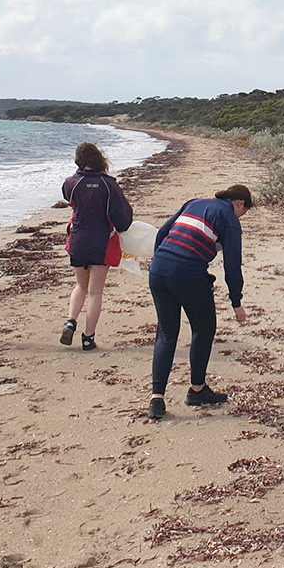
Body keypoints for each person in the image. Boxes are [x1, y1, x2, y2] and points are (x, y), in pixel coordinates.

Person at [147, 184, 252, 420]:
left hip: (159, 271)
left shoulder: (194, 203)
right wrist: (236, 300)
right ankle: (196, 390)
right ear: (240, 204)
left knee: (166, 333)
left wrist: (160, 260)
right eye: (244, 213)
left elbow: (163, 232)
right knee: (204, 329)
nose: (241, 217)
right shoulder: (230, 218)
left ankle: (157, 398)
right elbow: (232, 264)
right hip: (188, 274)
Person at [60, 142, 134, 351]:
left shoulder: (70, 183)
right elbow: (121, 216)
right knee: (95, 292)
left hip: (78, 240)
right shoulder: (108, 184)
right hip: (101, 241)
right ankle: (88, 338)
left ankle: (70, 321)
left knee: (80, 286)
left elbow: (70, 200)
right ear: (100, 159)